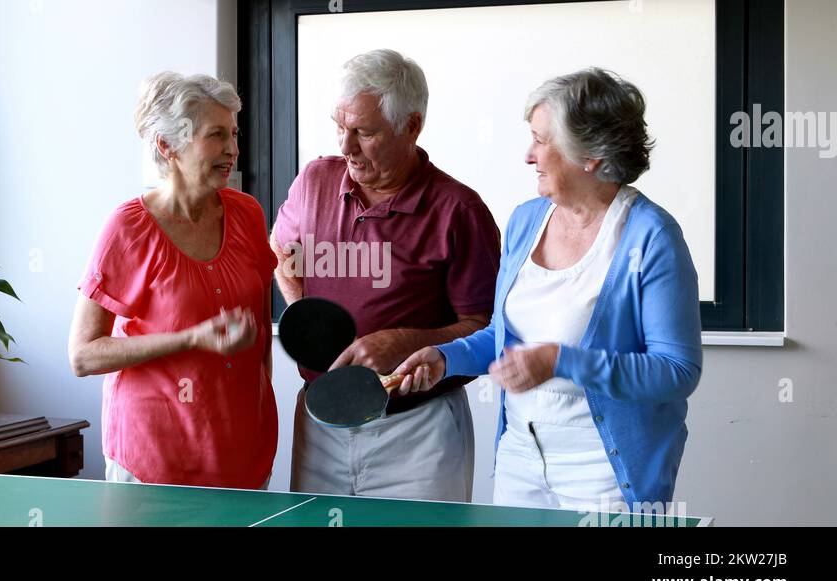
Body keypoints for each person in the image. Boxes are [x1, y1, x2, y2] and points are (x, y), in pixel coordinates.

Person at [396, 68, 702, 512]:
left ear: (590, 156)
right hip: (520, 454)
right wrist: (448, 358)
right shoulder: (525, 221)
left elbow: (677, 371)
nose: (528, 155)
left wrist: (561, 360)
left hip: (605, 471)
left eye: (542, 140)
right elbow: (505, 337)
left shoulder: (652, 236)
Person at [271, 49, 501, 502]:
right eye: (339, 126)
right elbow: (280, 248)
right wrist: (303, 311)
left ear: (411, 127)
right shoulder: (315, 179)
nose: (345, 145)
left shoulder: (459, 211)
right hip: (321, 421)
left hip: (418, 431)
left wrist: (403, 343)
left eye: (364, 132)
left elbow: (487, 329)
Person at [68, 72, 278, 489]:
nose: (233, 150)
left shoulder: (248, 213)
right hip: (153, 461)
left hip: (243, 456)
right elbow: (83, 355)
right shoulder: (128, 228)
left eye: (234, 134)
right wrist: (188, 338)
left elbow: (259, 340)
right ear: (168, 146)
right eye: (217, 135)